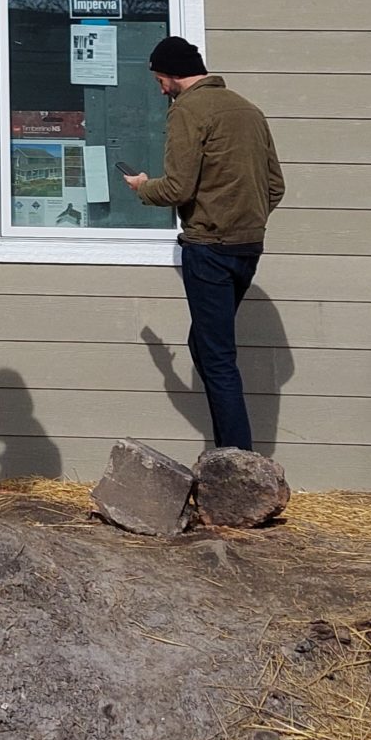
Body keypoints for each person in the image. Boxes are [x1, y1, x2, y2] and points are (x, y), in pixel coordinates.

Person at [122, 36, 285, 454]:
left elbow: (178, 187)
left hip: (209, 247)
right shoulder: (249, 110)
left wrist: (143, 188)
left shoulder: (188, 111)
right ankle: (233, 454)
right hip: (247, 246)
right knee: (205, 345)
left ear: (174, 75)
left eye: (160, 80)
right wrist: (249, 220)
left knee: (216, 358)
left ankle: (237, 462)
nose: (160, 89)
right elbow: (275, 186)